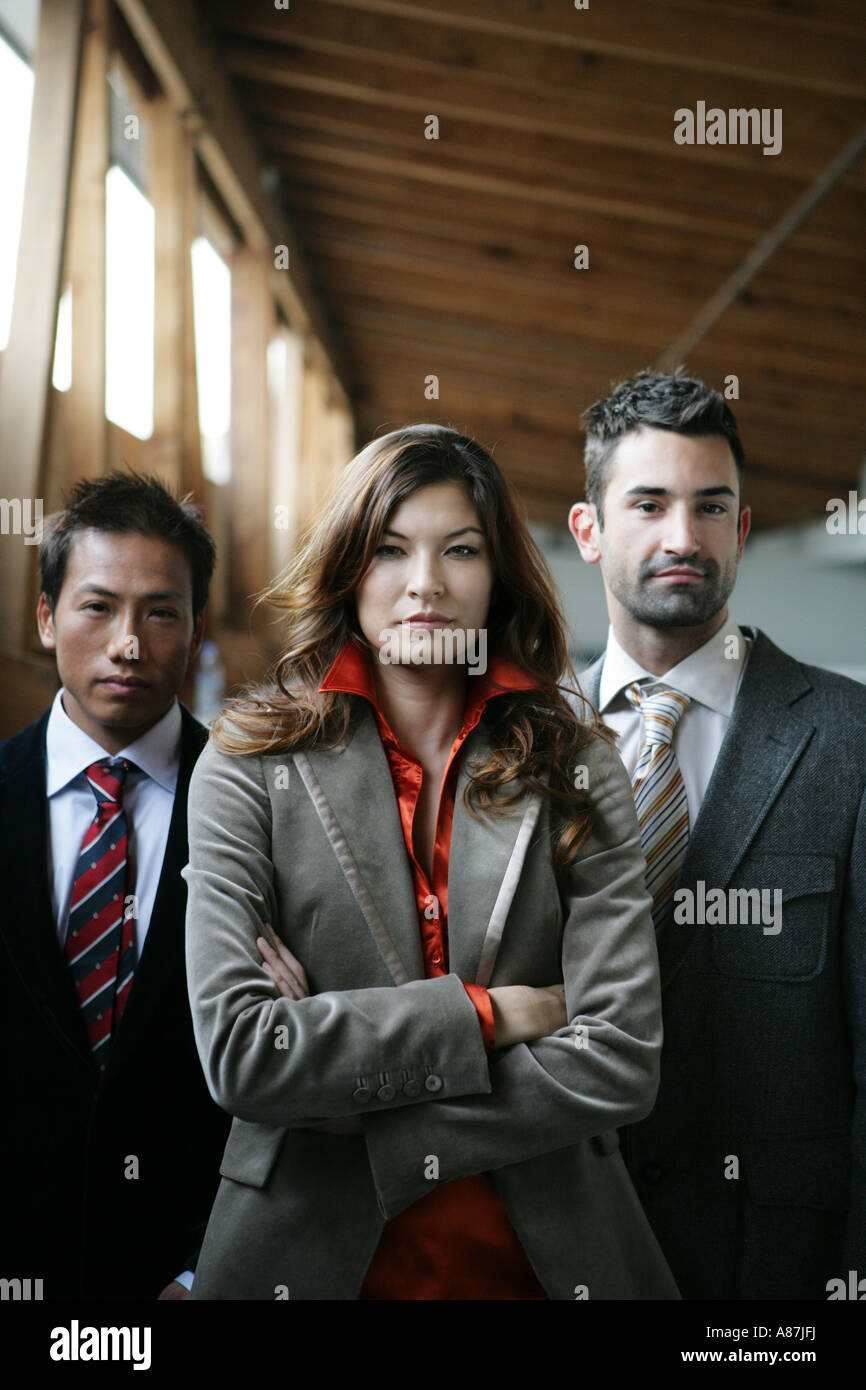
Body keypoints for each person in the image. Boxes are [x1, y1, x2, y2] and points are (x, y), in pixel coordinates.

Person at [183, 424, 680, 1300]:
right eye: (389, 550)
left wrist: (356, 1102)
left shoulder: (577, 762)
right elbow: (245, 1056)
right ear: (348, 567)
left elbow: (621, 1056)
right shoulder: (247, 763)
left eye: (460, 550)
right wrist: (491, 1017)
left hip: (545, 1260)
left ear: (497, 575)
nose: (426, 586)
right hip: (308, 1258)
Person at [568, 370, 866, 1300]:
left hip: (775, 1271)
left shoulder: (850, 740)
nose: (680, 538)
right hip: (567, 1249)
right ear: (590, 531)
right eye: (648, 504)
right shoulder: (517, 745)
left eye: (710, 508)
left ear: (741, 531)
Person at [0, 472, 231, 1299]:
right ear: (45, 615)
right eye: (97, 607)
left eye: (160, 612)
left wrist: (213, 1268)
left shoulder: (266, 807)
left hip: (188, 1272)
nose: (128, 644)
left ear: (196, 630)